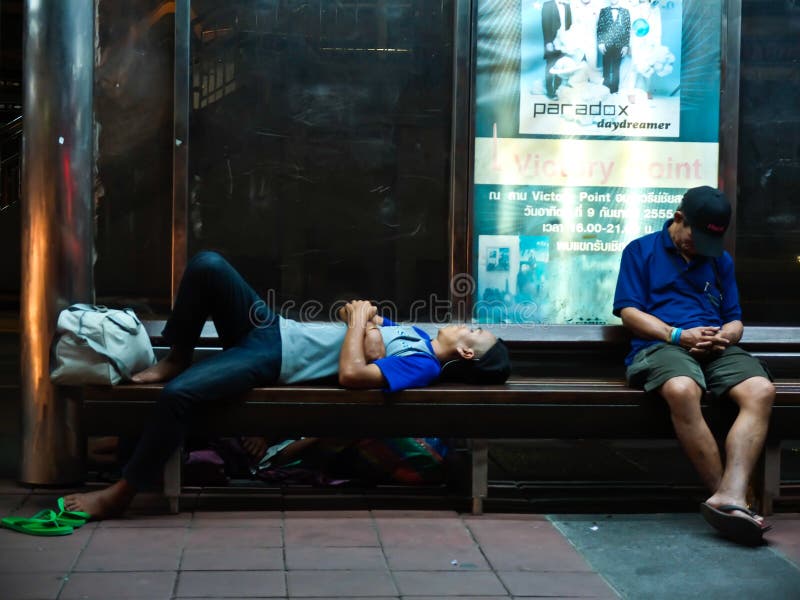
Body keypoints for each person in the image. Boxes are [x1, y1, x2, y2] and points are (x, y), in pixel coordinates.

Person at [64, 251, 511, 519]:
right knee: (208, 265)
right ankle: (177, 355)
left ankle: (121, 494)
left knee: (179, 395)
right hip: (272, 328)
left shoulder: (423, 364)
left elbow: (352, 375)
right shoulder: (413, 336)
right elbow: (351, 312)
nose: (468, 325)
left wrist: (363, 323)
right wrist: (365, 324)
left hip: (276, 358)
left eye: (476, 333)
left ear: (468, 354)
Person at [613, 186, 775, 546]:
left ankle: (729, 497)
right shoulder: (640, 251)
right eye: (694, 237)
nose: (699, 247)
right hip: (661, 345)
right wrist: (677, 335)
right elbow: (629, 312)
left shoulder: (720, 260)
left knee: (761, 389)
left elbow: (735, 320)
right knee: (682, 388)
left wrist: (725, 338)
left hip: (714, 346)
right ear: (678, 218)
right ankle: (734, 503)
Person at [596, 0, 630, 94]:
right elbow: (600, 28)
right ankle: (605, 90)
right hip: (606, 44)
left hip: (619, 45)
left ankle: (614, 90)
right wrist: (600, 43)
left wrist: (625, 46)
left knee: (616, 69)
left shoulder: (625, 12)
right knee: (606, 68)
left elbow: (627, 30)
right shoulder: (603, 11)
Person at [541, 0, 573, 99]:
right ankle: (550, 91)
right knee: (550, 65)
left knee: (561, 65)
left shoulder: (567, 6)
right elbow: (545, 24)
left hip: (564, 41)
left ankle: (557, 89)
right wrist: (548, 42)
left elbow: (569, 24)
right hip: (552, 41)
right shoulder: (547, 5)